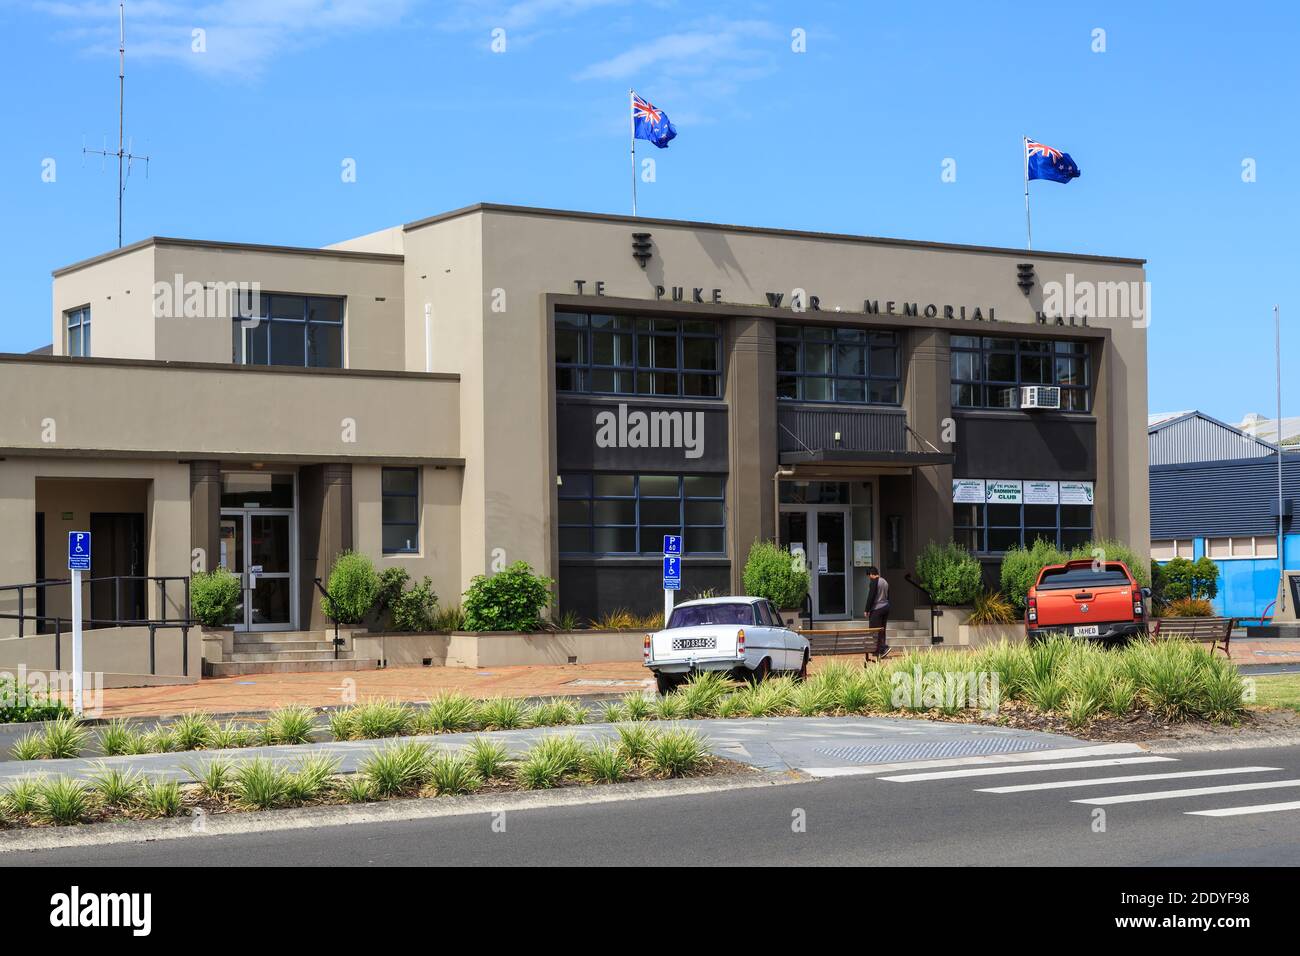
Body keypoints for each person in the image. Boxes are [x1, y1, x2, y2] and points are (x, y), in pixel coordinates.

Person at [864, 566, 889, 659]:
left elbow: (871, 596)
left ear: (871, 574)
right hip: (886, 607)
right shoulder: (884, 581)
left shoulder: (874, 582)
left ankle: (882, 648)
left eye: (869, 576)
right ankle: (880, 649)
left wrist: (867, 609)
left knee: (874, 629)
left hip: (877, 608)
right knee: (882, 629)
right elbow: (888, 595)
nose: (869, 578)